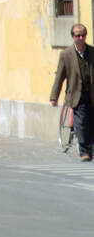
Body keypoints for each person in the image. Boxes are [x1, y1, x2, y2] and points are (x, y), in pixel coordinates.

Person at [50, 23, 94, 160]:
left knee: (91, 122)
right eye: (78, 35)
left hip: (91, 93)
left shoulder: (92, 52)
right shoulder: (66, 54)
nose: (81, 38)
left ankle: (89, 147)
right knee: (81, 123)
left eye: (83, 35)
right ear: (72, 37)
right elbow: (60, 77)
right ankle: (84, 152)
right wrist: (54, 96)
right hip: (76, 94)